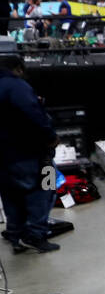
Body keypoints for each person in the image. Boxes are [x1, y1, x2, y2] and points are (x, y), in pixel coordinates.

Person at [0, 54, 60, 253]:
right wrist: (50, 136)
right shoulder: (17, 86)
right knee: (46, 188)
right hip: (28, 152)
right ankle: (34, 235)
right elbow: (33, 113)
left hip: (4, 157)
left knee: (11, 195)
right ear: (18, 68)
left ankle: (15, 234)